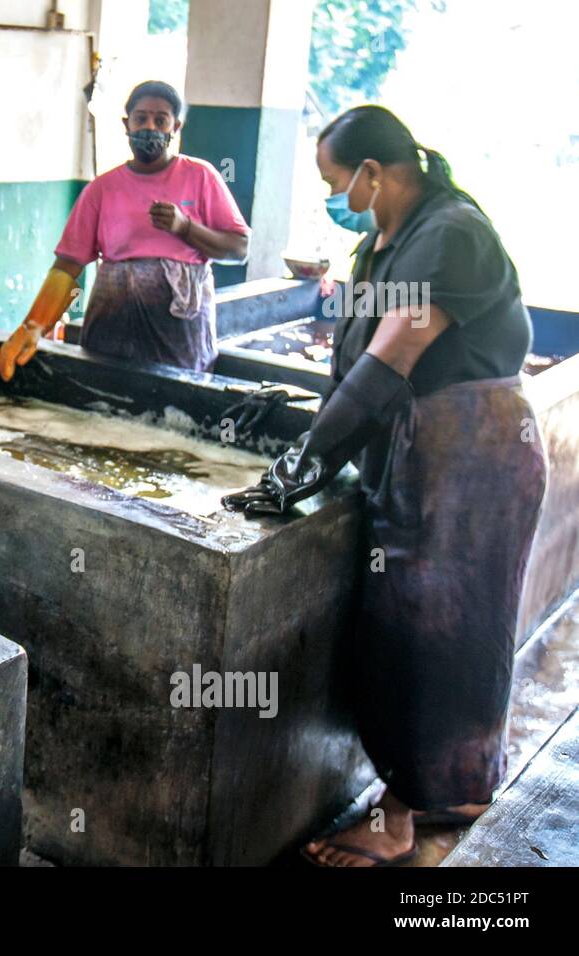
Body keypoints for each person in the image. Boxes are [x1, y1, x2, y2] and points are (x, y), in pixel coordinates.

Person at [223, 105, 547, 867]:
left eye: (337, 182)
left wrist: (301, 467)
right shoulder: (384, 242)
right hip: (425, 453)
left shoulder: (450, 234)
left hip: (473, 457)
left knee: (434, 633)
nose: (336, 197)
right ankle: (454, 791)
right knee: (429, 626)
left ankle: (400, 816)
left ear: (373, 173)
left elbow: (392, 358)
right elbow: (357, 353)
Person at [0, 80, 249, 380]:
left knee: (174, 412)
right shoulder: (101, 189)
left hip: (178, 335)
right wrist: (34, 327)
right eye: (141, 118)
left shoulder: (201, 176)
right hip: (111, 328)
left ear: (175, 127)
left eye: (160, 120)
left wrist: (185, 228)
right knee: (103, 404)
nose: (149, 127)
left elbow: (239, 249)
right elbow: (67, 267)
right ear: (126, 124)